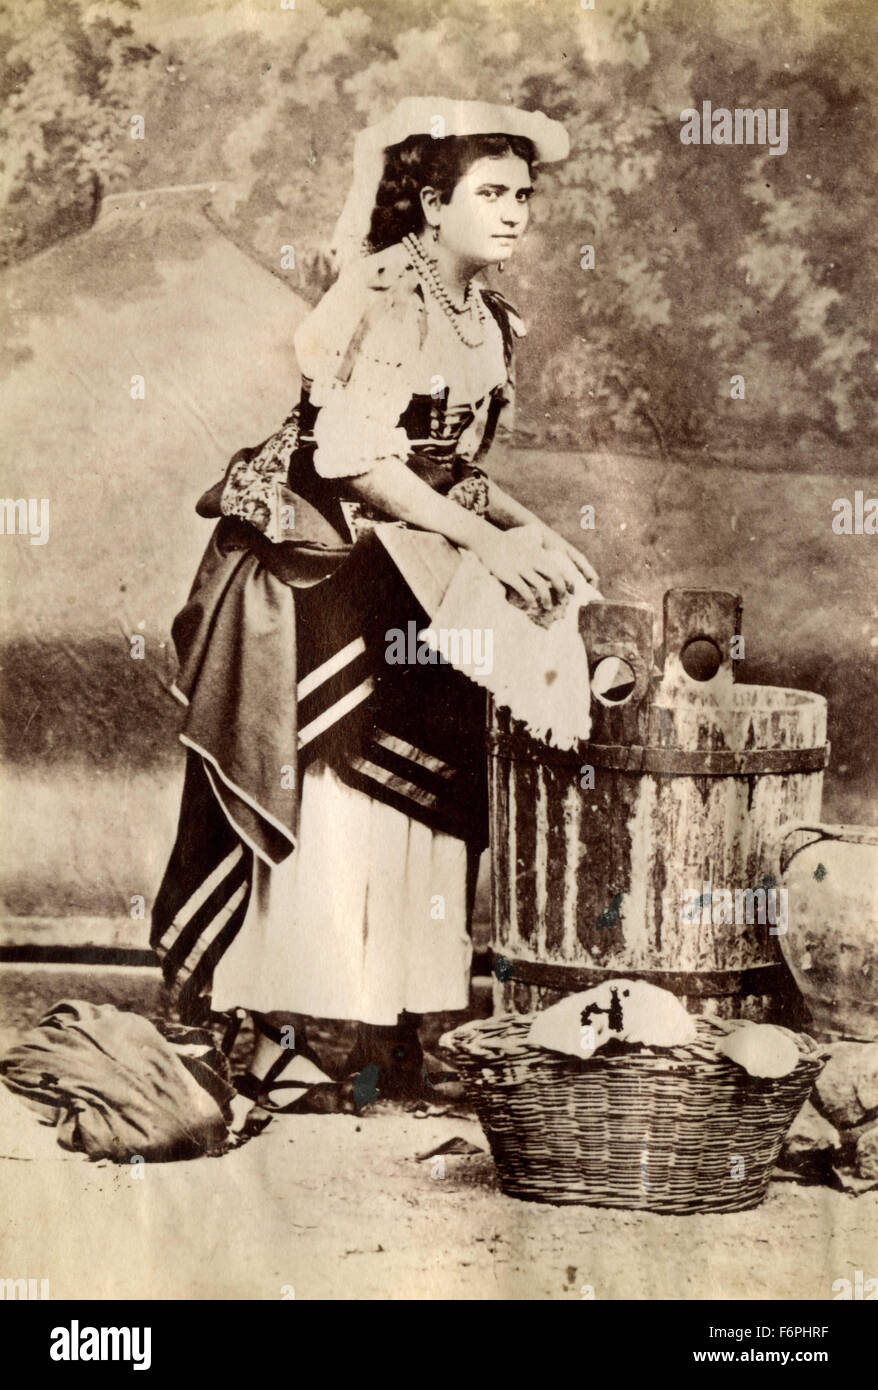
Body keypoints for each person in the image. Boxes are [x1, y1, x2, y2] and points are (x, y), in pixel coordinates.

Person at [151, 97, 598, 1141]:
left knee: (439, 774)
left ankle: (391, 1025)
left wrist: (532, 534)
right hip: (318, 570)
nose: (514, 213)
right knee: (346, 783)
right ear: (432, 204)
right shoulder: (386, 294)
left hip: (409, 554)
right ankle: (299, 1029)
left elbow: (454, 469)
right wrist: (487, 544)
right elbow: (353, 461)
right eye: (489, 194)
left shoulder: (483, 316)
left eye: (523, 196)